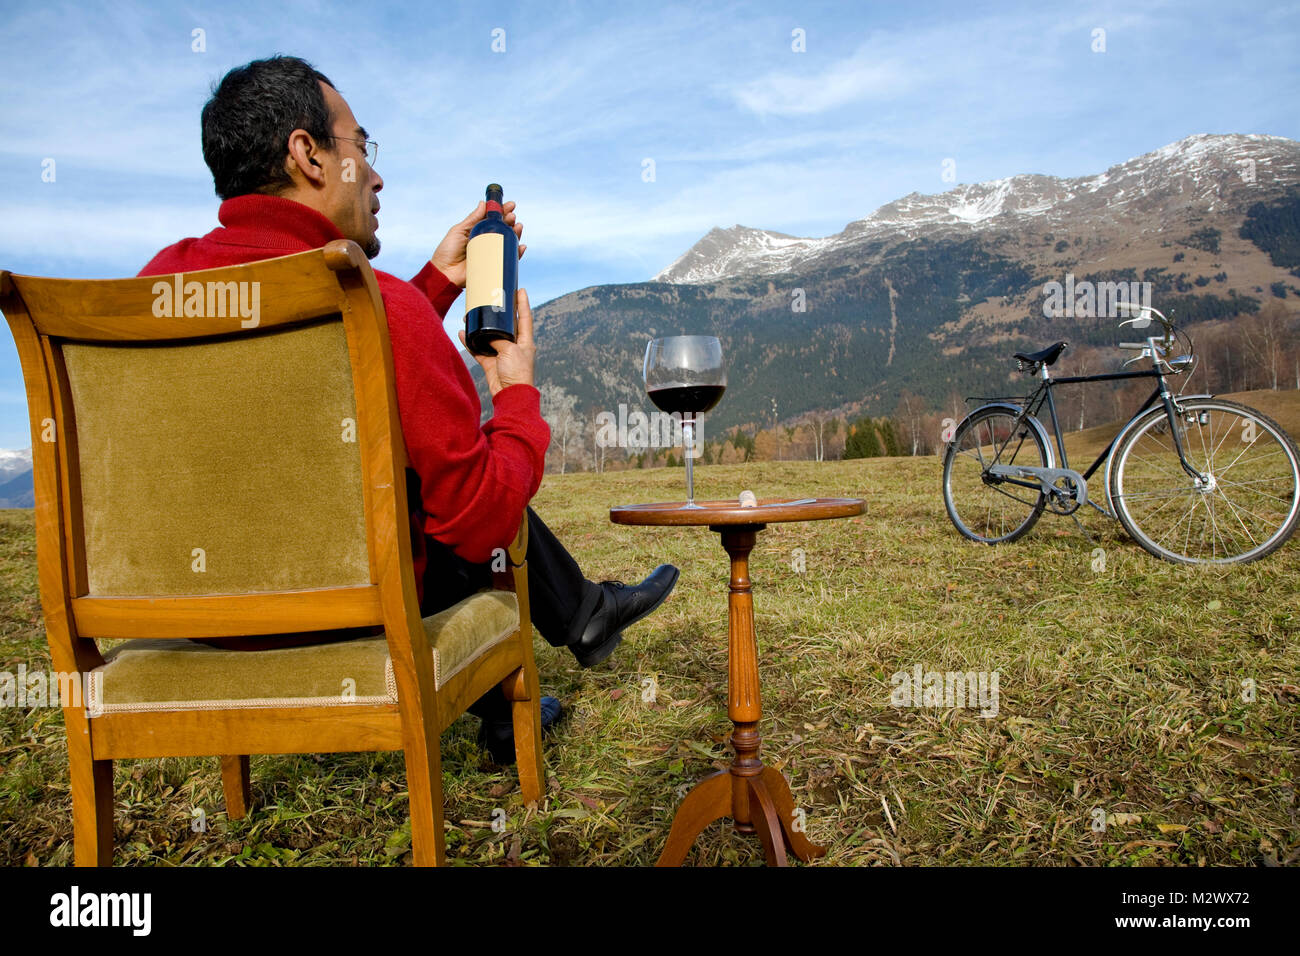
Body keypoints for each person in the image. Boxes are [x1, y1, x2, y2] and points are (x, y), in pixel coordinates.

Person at [138, 55, 679, 762]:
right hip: (346, 626)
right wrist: (516, 396)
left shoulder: (158, 288)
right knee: (448, 498)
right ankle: (569, 630)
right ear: (308, 155)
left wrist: (433, 284)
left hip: (200, 620)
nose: (377, 173)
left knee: (400, 469)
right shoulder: (378, 302)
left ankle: (582, 621)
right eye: (361, 146)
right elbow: (484, 514)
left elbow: (316, 377)